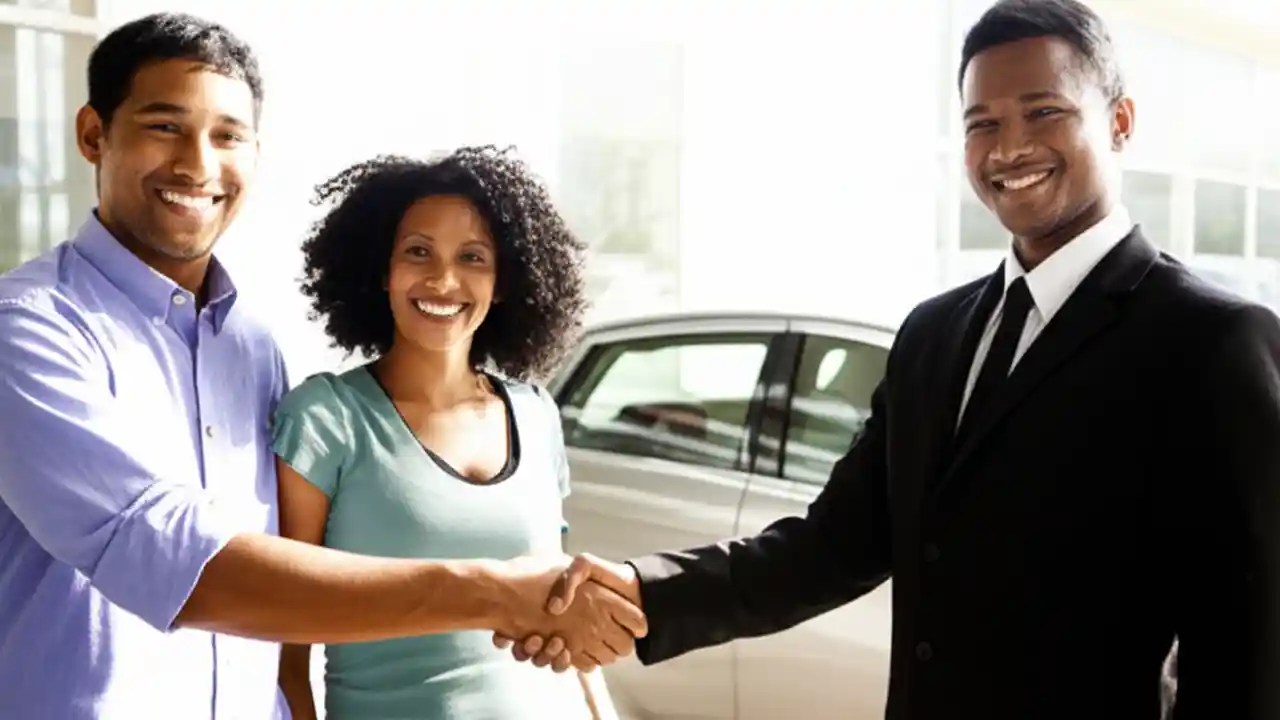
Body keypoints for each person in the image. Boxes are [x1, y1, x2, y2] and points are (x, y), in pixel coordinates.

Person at [504, 1, 1280, 718]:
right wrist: (639, 593)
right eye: (982, 123)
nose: (1009, 148)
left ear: (1119, 121)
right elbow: (829, 549)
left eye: (1043, 112)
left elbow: (1248, 654)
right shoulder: (934, 336)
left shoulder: (1210, 342)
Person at [0, 14, 642, 720]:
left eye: (227, 136)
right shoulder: (28, 329)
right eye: (164, 126)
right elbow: (180, 561)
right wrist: (500, 590)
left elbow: (275, 641)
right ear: (94, 134)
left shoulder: (248, 344)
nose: (198, 164)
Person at [272, 148, 609, 719]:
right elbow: (282, 647)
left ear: (504, 281)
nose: (443, 279)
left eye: (472, 257)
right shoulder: (326, 419)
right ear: (383, 270)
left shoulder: (535, 414)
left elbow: (564, 615)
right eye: (418, 252)